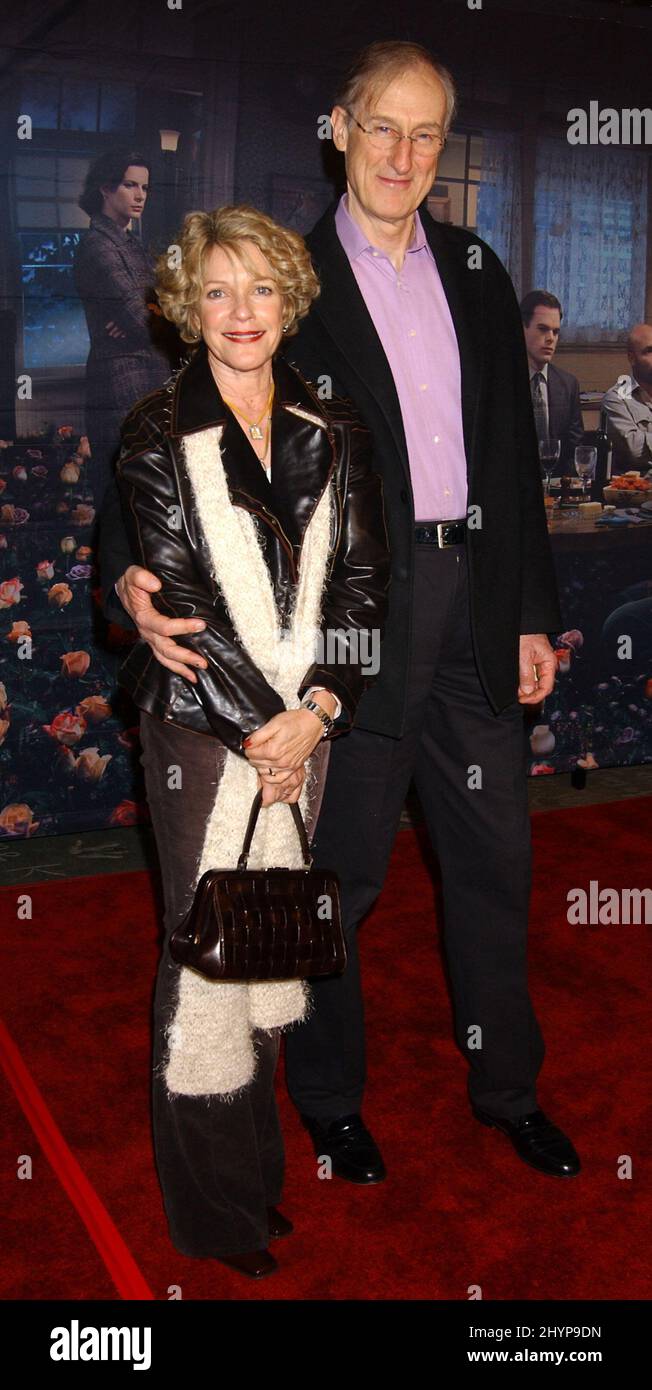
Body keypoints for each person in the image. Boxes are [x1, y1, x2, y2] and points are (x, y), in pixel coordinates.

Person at [100, 40, 581, 1186]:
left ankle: (506, 1086)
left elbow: (507, 453)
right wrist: (124, 559)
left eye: (426, 134)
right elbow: (183, 414)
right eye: (382, 127)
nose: (403, 154)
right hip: (352, 627)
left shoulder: (474, 267)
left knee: (494, 864)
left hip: (473, 609)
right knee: (339, 877)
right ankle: (328, 1100)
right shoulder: (288, 276)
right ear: (339, 128)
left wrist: (525, 613)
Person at [112, 204, 389, 1276]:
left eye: (261, 288)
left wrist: (315, 709)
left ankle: (257, 1183)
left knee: (264, 949)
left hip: (301, 727)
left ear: (290, 301)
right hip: (201, 733)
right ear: (188, 306)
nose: (241, 312)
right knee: (205, 967)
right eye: (216, 290)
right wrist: (261, 733)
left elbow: (365, 584)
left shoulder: (334, 423)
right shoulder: (154, 429)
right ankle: (212, 1214)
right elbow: (179, 604)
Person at [74, 148, 178, 498]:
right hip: (122, 382)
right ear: (105, 188)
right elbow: (142, 320)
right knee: (131, 491)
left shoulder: (131, 244)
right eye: (129, 185)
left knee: (153, 492)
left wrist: (151, 309)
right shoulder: (98, 247)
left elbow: (158, 305)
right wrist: (148, 313)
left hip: (150, 375)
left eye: (145, 188)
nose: (139, 196)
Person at [520, 290, 585, 470]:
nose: (550, 338)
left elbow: (575, 449)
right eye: (543, 329)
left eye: (555, 332)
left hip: (557, 487)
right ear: (522, 328)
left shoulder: (568, 384)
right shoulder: (501, 383)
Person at [602, 323, 652, 473]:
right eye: (649, 351)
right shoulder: (616, 397)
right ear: (632, 358)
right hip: (639, 490)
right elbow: (635, 451)